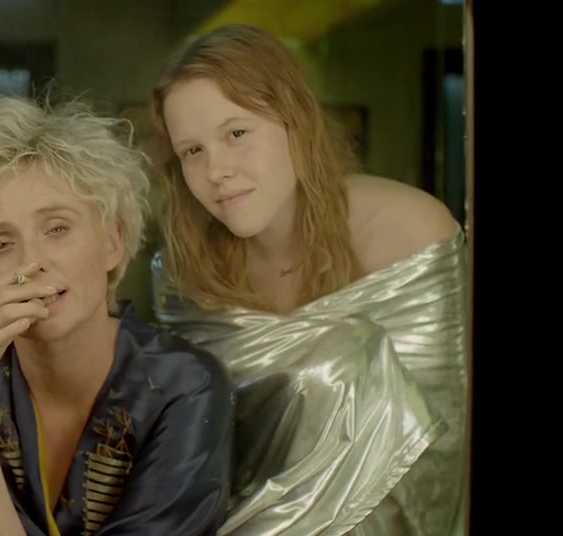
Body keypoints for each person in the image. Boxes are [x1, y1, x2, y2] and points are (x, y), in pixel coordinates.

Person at [149, 24, 468, 536]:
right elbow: (189, 452)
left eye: (236, 134)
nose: (216, 170)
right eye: (192, 151)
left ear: (294, 122)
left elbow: (441, 456)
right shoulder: (182, 272)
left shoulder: (410, 232)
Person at [0, 94, 237, 536]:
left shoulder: (184, 386)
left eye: (57, 228)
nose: (32, 262)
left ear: (113, 242)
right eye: (1, 244)